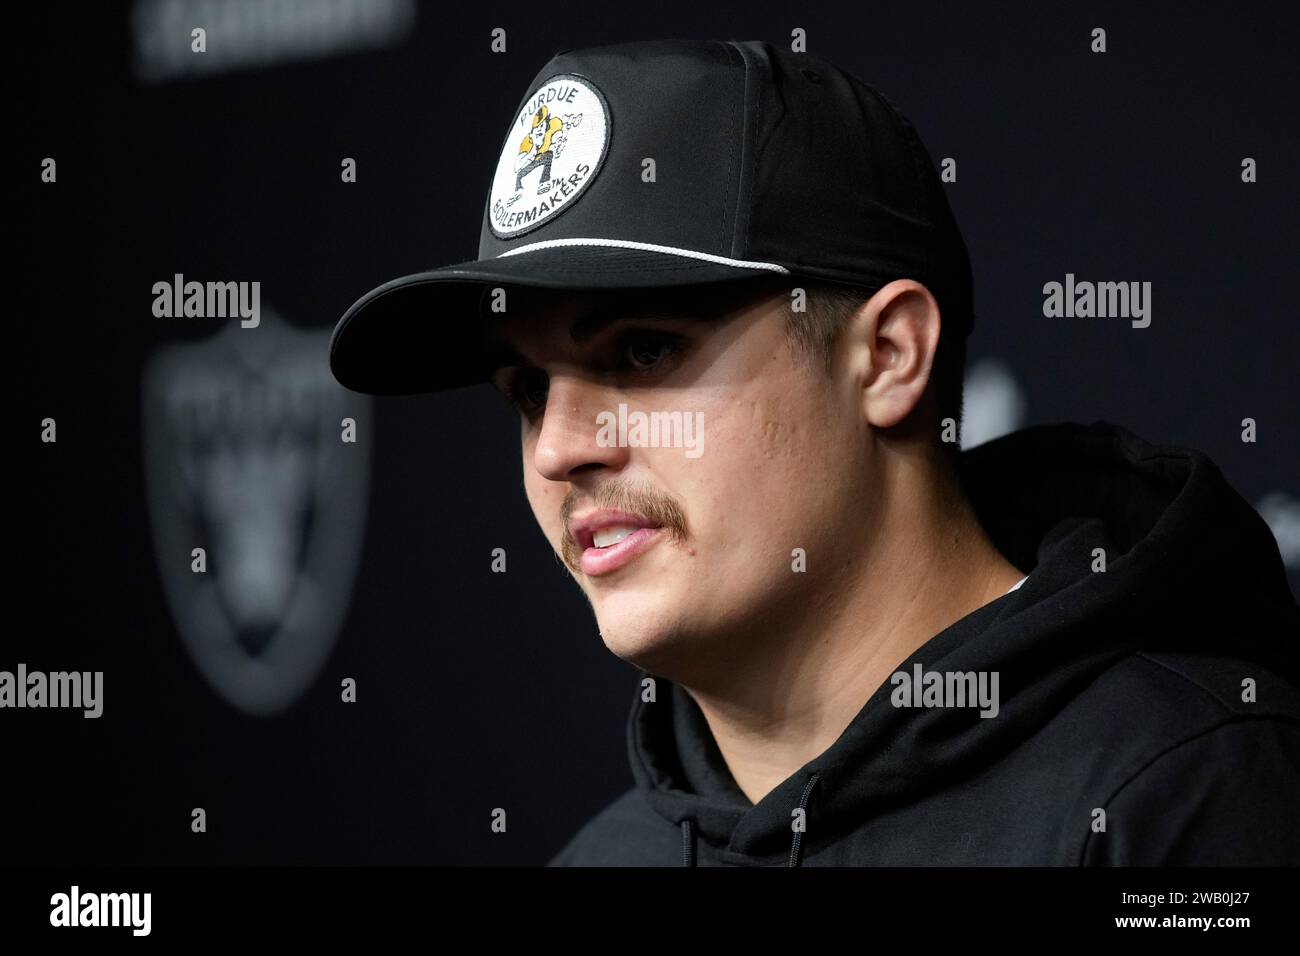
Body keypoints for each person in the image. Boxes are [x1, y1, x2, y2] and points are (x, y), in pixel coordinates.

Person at [329, 39, 1300, 866]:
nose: (558, 448)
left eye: (641, 349)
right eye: (527, 390)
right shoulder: (603, 858)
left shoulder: (1182, 793)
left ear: (885, 356)